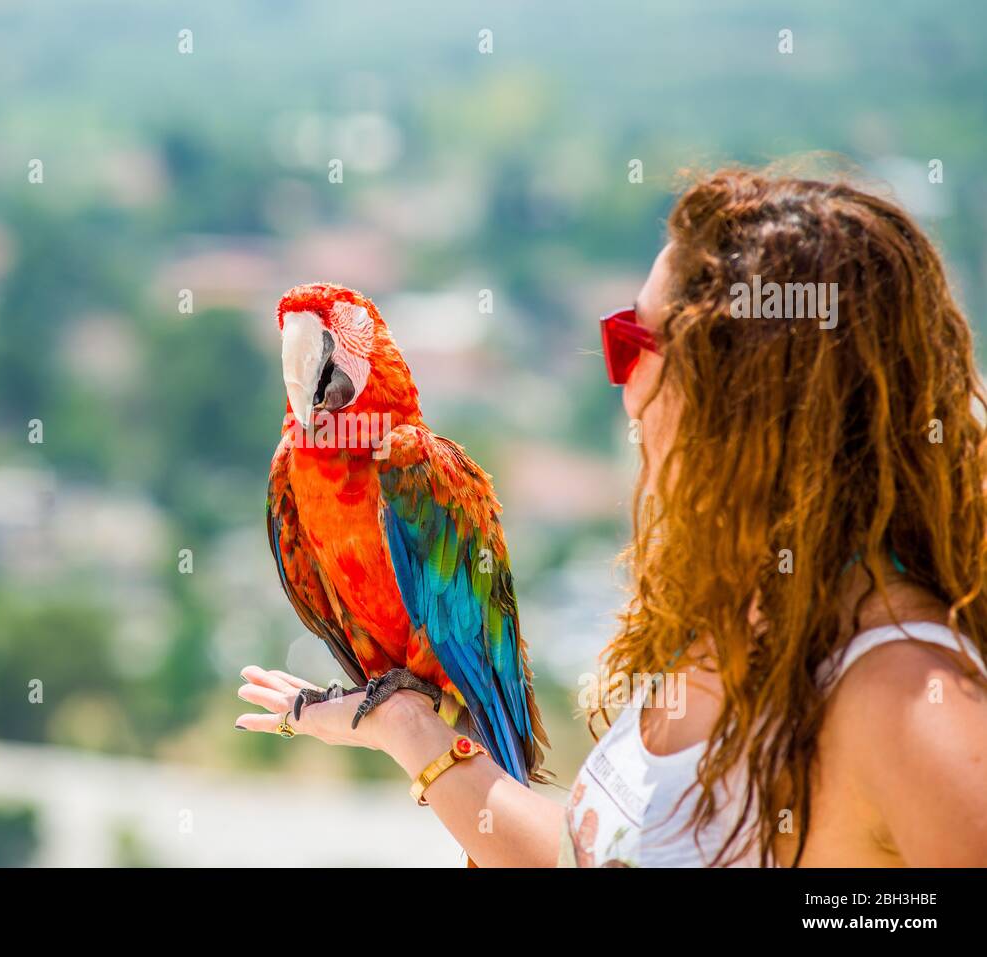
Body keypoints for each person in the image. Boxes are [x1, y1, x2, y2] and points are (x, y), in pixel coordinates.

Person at [235, 167, 987, 866]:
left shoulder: (902, 695)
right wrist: (407, 725)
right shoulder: (735, 612)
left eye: (631, 340)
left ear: (743, 397)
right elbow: (591, 855)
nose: (620, 382)